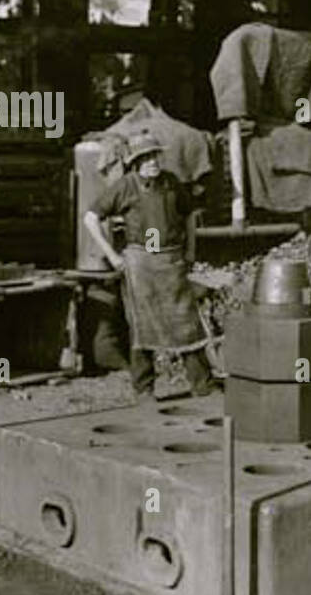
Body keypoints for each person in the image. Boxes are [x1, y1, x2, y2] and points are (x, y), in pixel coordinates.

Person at [83, 131, 215, 402]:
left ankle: (202, 385)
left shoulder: (171, 183)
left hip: (171, 262)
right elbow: (91, 218)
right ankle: (144, 389)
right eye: (146, 158)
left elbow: (189, 214)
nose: (153, 161)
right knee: (142, 327)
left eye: (155, 155)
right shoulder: (125, 186)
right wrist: (113, 255)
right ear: (135, 162)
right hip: (140, 264)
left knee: (186, 322)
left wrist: (190, 249)